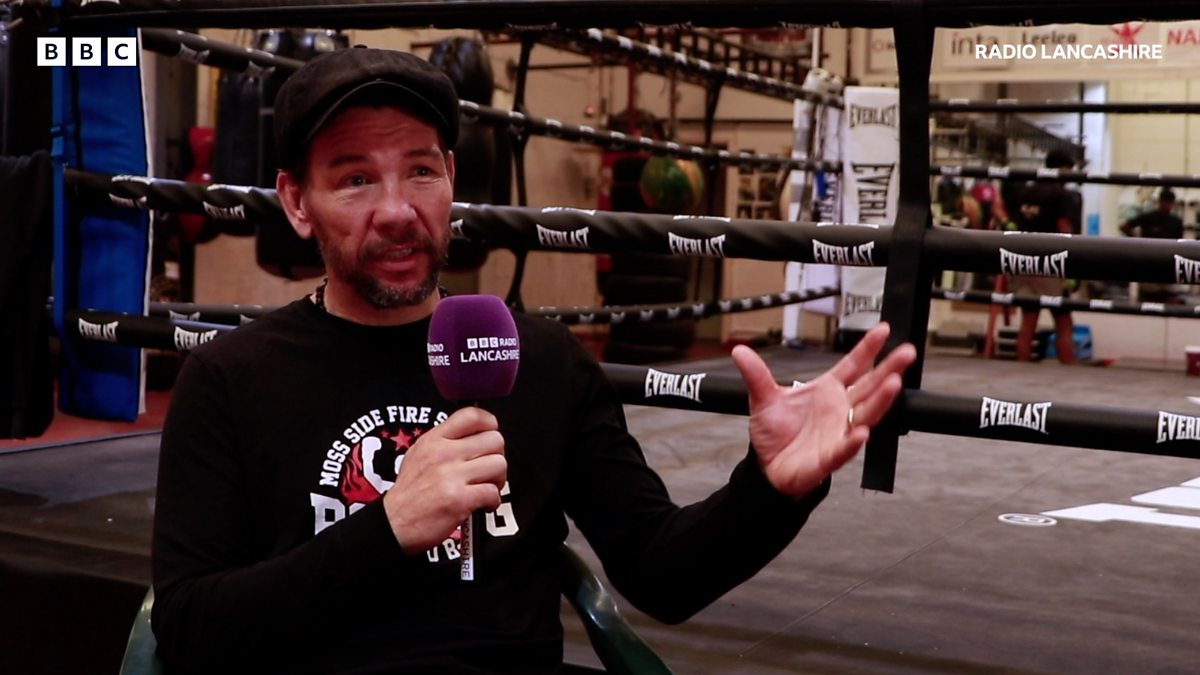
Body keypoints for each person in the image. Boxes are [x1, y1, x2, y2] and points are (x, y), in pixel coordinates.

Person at [151, 47, 916, 674]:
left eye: (420, 170)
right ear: (294, 201)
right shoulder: (231, 378)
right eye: (354, 179)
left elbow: (660, 572)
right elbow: (189, 631)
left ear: (452, 177)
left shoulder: (541, 360)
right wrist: (386, 527)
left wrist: (771, 487)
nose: (395, 208)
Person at [1009, 149, 1080, 364]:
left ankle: (1021, 368)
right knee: (1063, 320)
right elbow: (1063, 227)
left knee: (1029, 319)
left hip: (1022, 262)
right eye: (1069, 171)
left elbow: (1010, 218)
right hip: (1049, 263)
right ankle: (1069, 369)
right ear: (1061, 169)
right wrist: (1073, 266)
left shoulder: (1026, 192)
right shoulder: (1061, 195)